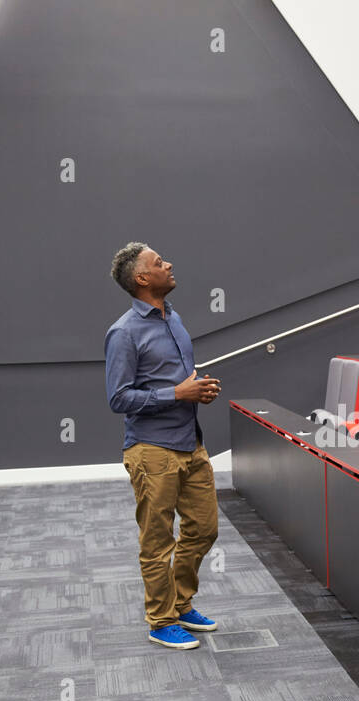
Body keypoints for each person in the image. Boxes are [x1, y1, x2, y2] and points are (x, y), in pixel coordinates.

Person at [105, 243, 221, 650]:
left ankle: (180, 603)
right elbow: (118, 398)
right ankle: (160, 619)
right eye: (158, 263)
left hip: (191, 445)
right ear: (142, 279)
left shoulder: (174, 319)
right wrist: (177, 393)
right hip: (151, 450)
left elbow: (176, 384)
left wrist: (196, 392)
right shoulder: (123, 332)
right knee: (157, 542)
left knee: (204, 529)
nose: (168, 264)